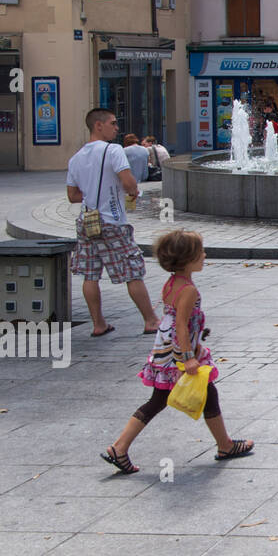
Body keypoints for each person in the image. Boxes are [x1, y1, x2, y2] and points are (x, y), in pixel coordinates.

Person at [101, 230, 254, 474]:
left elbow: (175, 322)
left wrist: (195, 346)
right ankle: (120, 447)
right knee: (181, 397)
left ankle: (120, 448)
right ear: (187, 259)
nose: (204, 255)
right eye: (200, 252)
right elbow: (181, 324)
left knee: (166, 399)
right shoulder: (188, 290)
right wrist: (189, 357)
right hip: (178, 355)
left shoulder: (172, 283)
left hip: (166, 350)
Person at [66, 109, 160, 337]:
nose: (117, 128)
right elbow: (128, 182)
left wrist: (92, 195)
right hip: (112, 221)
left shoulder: (76, 157)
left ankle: (98, 324)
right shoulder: (113, 150)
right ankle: (151, 320)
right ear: (98, 125)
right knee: (131, 270)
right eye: (113, 123)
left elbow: (72, 195)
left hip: (87, 221)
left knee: (90, 273)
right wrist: (130, 192)